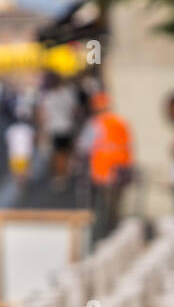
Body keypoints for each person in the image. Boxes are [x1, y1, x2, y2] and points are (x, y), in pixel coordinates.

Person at [78, 92, 134, 240]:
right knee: (115, 209)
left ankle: (103, 236)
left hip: (102, 173)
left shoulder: (95, 124)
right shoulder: (121, 122)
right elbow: (129, 146)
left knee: (101, 210)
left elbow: (83, 147)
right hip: (121, 172)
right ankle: (114, 234)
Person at [39, 75, 78, 189]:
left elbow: (43, 115)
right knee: (64, 153)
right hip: (67, 127)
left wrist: (43, 130)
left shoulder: (48, 96)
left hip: (55, 129)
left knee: (57, 154)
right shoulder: (68, 94)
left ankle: (60, 177)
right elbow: (74, 111)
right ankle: (63, 175)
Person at [5, 117, 35, 191]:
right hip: (25, 153)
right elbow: (33, 138)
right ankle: (22, 183)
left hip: (14, 154)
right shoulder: (28, 128)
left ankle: (20, 184)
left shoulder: (10, 129)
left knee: (17, 172)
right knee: (24, 171)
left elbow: (7, 141)